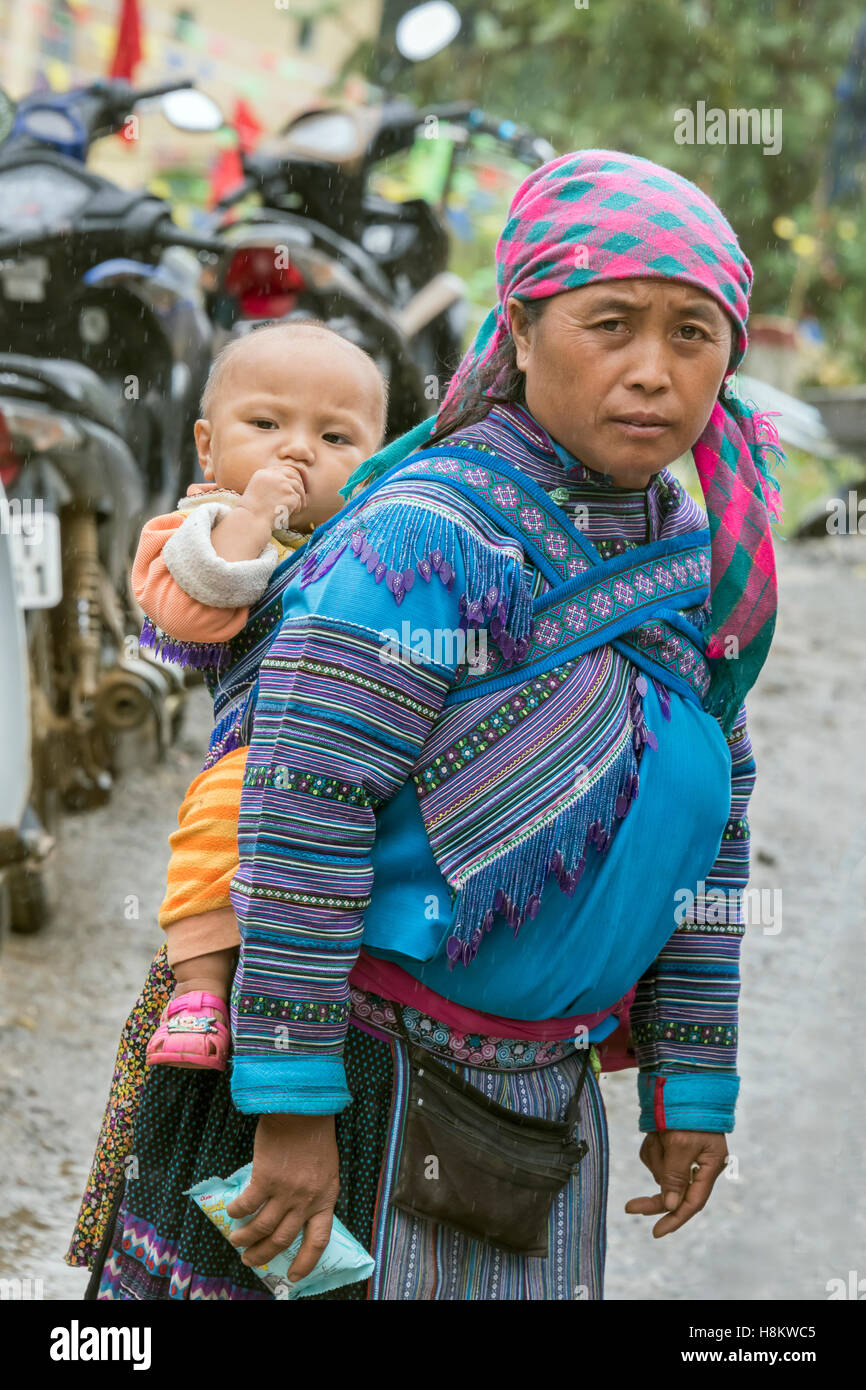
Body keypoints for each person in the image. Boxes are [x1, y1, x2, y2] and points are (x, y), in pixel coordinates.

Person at [69, 149, 784, 1301]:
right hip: (353, 1079)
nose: (652, 370)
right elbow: (303, 809)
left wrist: (691, 1083)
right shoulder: (421, 541)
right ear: (521, 329)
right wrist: (291, 1106)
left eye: (690, 334)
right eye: (610, 324)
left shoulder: (696, 574)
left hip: (540, 1110)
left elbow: (718, 831)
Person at [128, 320, 387, 1066]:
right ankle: (199, 992)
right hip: (256, 748)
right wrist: (253, 517)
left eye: (335, 437)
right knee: (213, 830)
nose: (297, 450)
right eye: (267, 424)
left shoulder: (373, 536)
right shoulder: (196, 526)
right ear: (208, 446)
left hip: (360, 749)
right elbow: (193, 612)